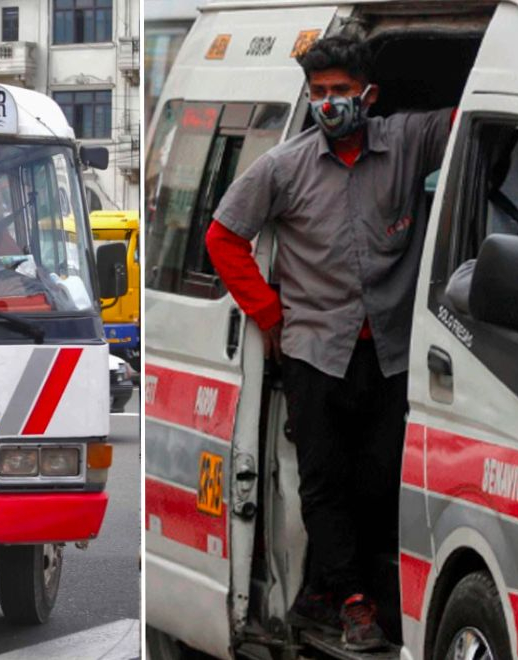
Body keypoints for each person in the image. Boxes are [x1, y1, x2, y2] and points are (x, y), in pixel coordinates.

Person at [205, 35, 453, 651]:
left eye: (340, 92)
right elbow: (222, 239)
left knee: (381, 480)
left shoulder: (407, 142)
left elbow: (469, 122)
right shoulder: (284, 167)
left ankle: (361, 587)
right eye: (318, 93)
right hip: (315, 354)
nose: (328, 104)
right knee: (323, 483)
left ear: (368, 94)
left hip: (393, 353)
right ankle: (352, 602)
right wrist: (269, 315)